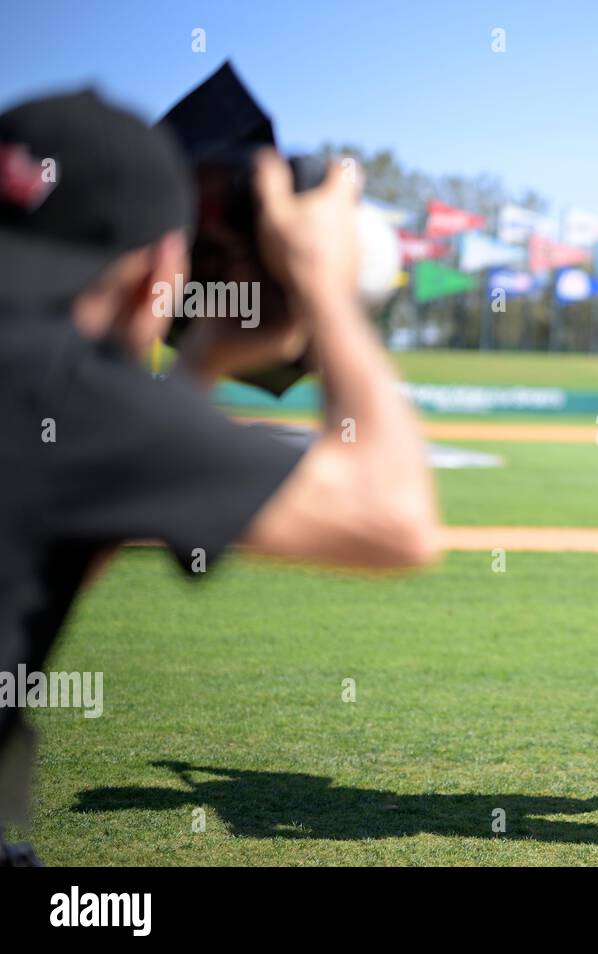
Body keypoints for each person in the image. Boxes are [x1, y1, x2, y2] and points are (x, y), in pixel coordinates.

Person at [0, 90, 441, 864]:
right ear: (157, 270)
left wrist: (200, 361)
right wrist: (324, 287)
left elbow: (58, 532)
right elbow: (395, 517)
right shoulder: (63, 395)